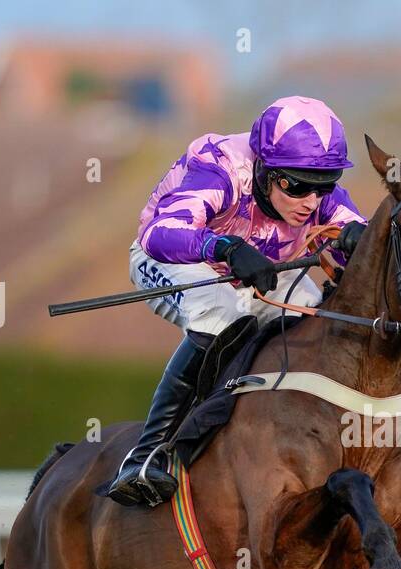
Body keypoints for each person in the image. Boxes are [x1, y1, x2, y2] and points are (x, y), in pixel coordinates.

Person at [106, 95, 368, 507]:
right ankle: (147, 456)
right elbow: (161, 233)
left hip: (260, 269)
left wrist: (359, 241)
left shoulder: (314, 191)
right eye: (296, 186)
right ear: (264, 169)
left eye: (324, 185)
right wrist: (225, 248)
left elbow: (363, 232)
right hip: (177, 259)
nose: (311, 201)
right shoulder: (222, 167)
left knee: (316, 316)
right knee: (220, 316)